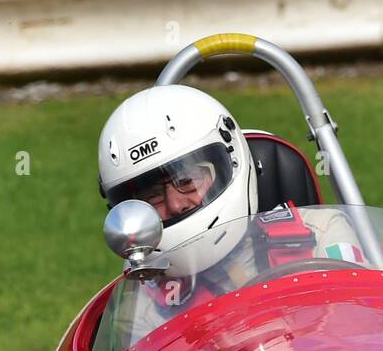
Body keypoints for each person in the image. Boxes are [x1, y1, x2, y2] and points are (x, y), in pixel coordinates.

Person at [97, 85, 364, 324]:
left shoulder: (320, 233)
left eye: (188, 179)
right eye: (153, 195)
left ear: (231, 164)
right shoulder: (139, 305)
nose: (177, 203)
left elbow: (363, 332)